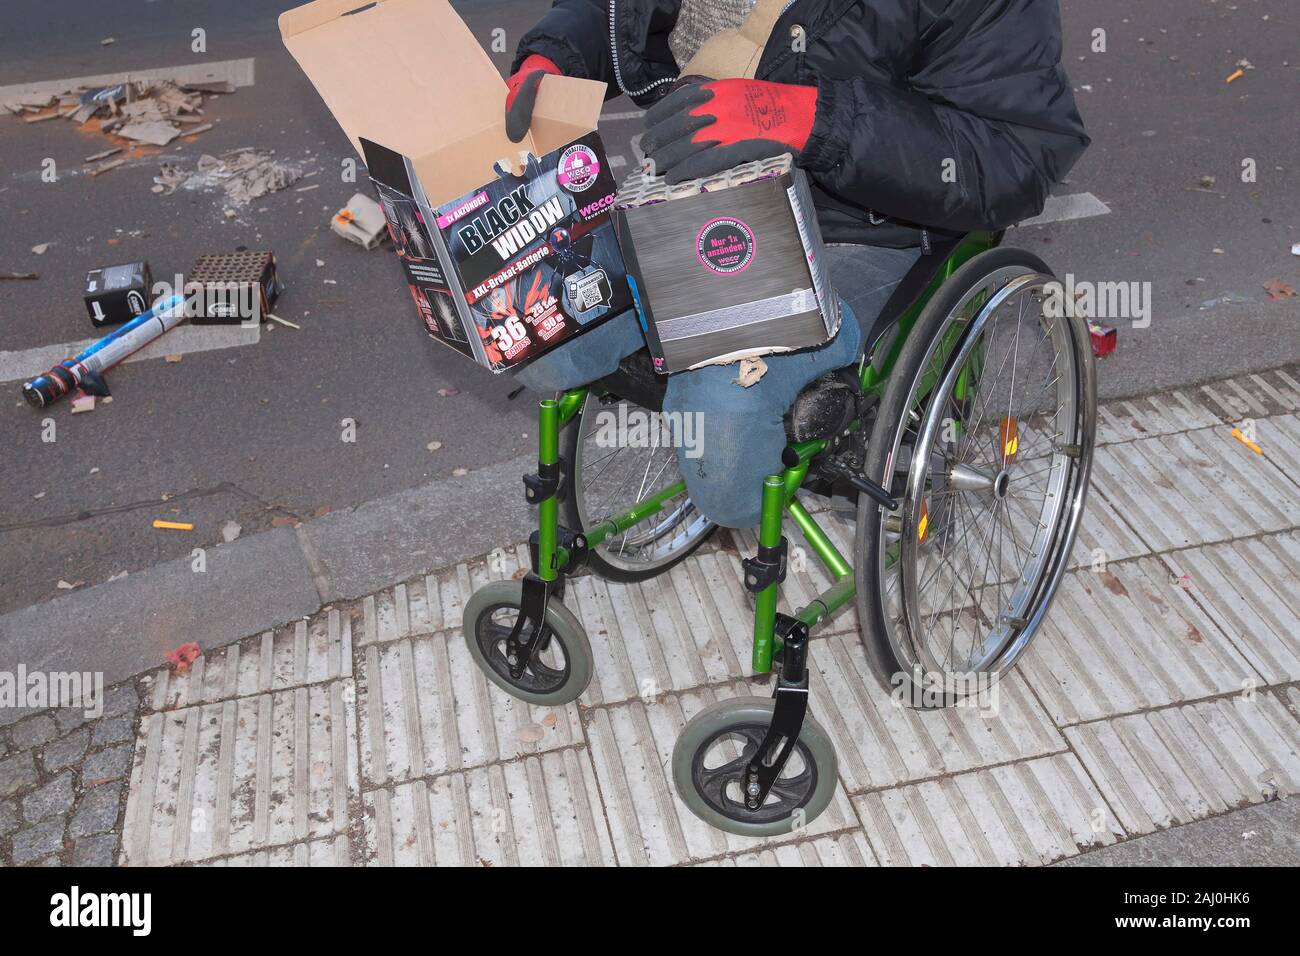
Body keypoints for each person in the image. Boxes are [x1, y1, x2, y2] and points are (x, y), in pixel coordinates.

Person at [507, 0, 1088, 528]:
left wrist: (808, 120)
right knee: (543, 325)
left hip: (865, 230)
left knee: (722, 415)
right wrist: (555, 56)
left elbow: (1019, 152)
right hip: (691, 196)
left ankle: (756, 495)